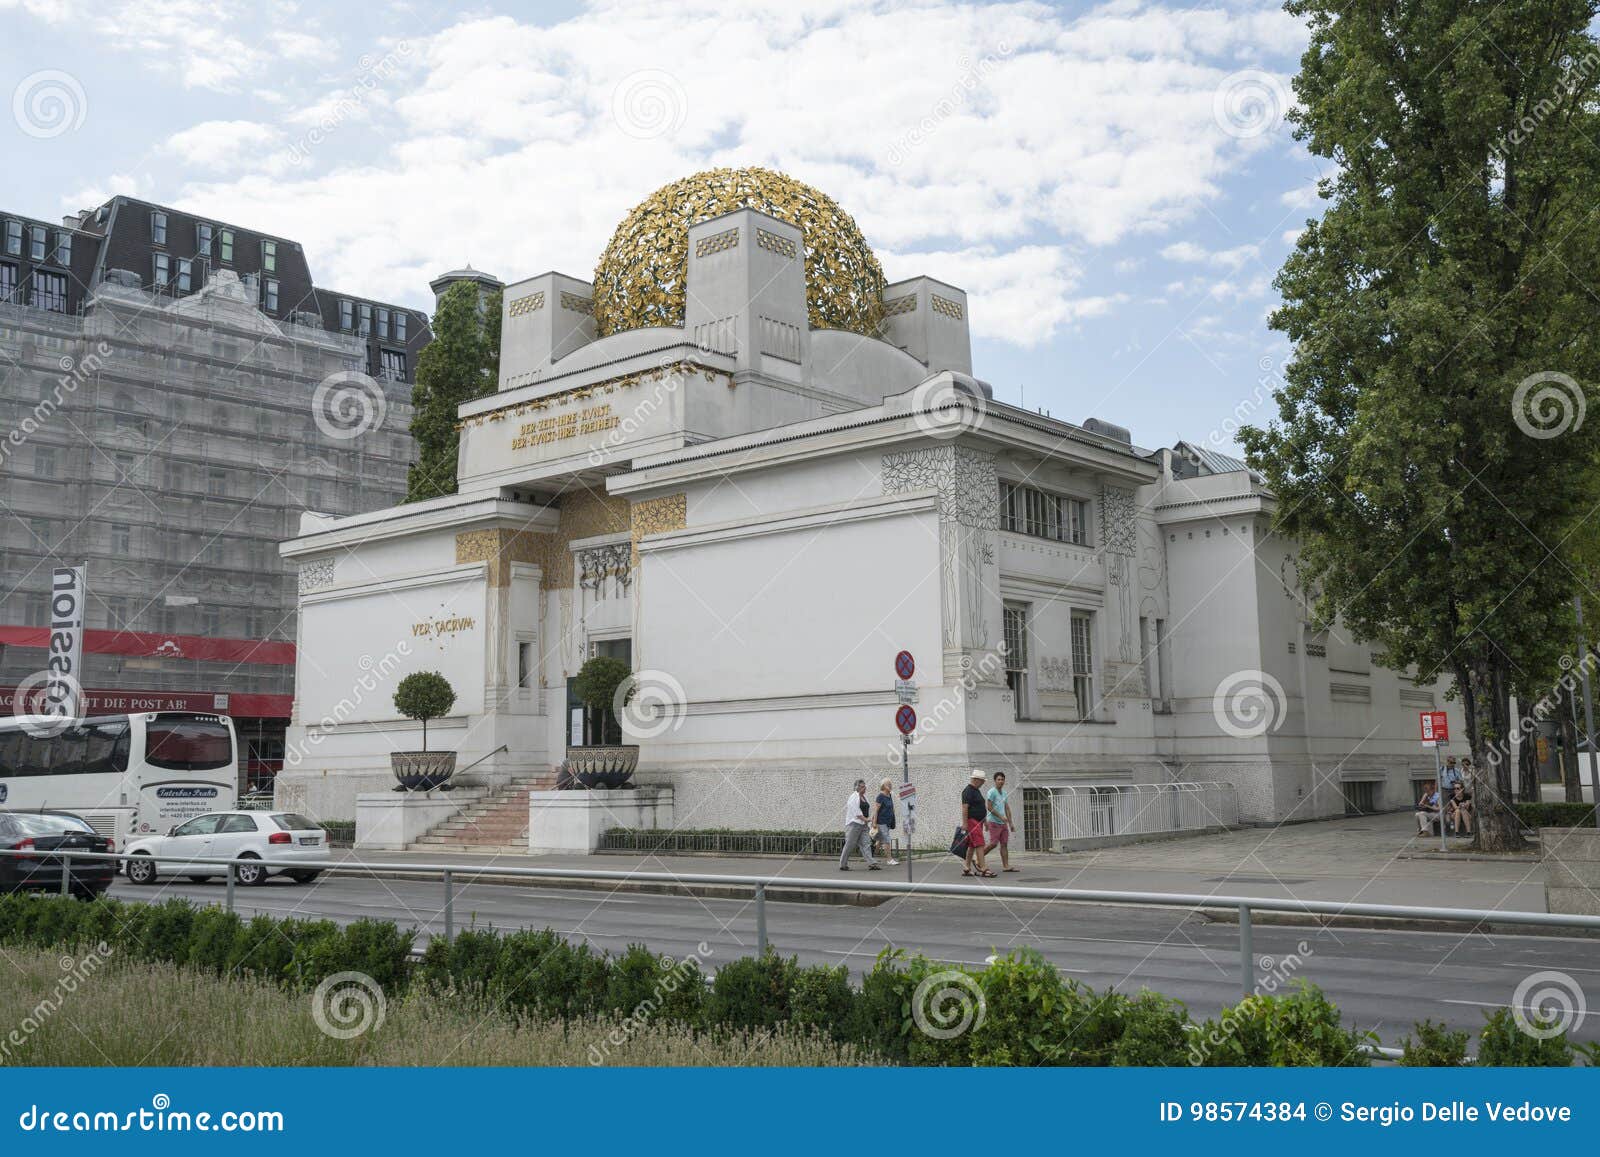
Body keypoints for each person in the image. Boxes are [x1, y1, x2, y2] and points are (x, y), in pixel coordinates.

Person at [960, 769, 995, 878]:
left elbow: (980, 807)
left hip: (978, 821)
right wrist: (965, 823)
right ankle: (983, 868)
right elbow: (965, 808)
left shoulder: (976, 790)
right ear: (975, 779)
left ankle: (966, 867)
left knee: (971, 845)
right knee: (980, 844)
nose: (983, 782)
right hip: (972, 821)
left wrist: (985, 822)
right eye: (982, 780)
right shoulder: (968, 791)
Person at [840, 778, 879, 871]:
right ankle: (843, 864)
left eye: (864, 786)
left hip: (864, 825)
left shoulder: (865, 797)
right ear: (857, 788)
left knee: (866, 843)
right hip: (854, 824)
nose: (864, 788)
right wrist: (866, 819)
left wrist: (869, 820)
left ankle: (872, 863)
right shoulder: (853, 797)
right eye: (862, 786)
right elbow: (856, 812)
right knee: (850, 844)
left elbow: (867, 810)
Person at [984, 770, 1018, 872]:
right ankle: (978, 857)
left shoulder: (1004, 792)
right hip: (993, 822)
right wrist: (1000, 816)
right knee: (993, 843)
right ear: (995, 781)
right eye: (998, 779)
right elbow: (989, 807)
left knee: (1004, 844)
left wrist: (1011, 823)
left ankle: (1006, 866)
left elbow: (1007, 808)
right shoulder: (991, 792)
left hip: (1003, 823)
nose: (1001, 781)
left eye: (1002, 779)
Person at [870, 778, 899, 866]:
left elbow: (891, 807)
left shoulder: (889, 795)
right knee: (886, 840)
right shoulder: (880, 796)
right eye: (888, 784)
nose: (890, 785)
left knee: (879, 840)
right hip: (881, 822)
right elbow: (876, 810)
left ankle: (871, 856)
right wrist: (874, 823)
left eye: (890, 784)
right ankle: (889, 860)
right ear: (883, 786)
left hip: (888, 822)